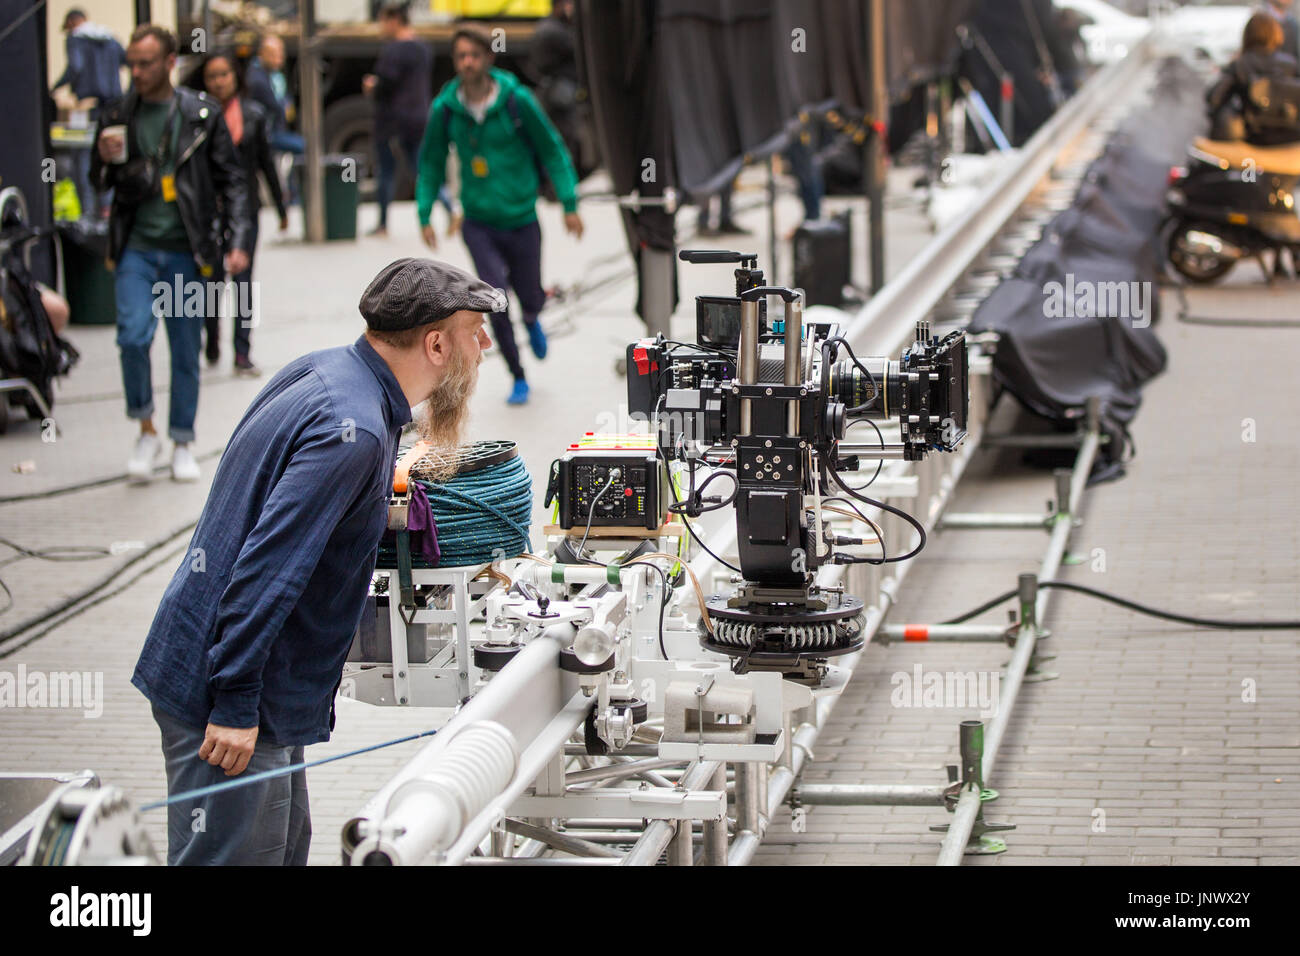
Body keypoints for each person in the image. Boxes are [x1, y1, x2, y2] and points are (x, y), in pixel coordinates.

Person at [131, 257, 498, 865]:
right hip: (228, 702)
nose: (484, 346)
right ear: (436, 343)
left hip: (245, 689)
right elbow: (265, 571)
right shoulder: (350, 431)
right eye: (472, 332)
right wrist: (235, 702)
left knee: (286, 846)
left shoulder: (328, 374)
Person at [90, 25, 250, 483]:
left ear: (167, 64)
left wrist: (237, 240)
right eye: (131, 64)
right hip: (136, 250)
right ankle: (145, 427)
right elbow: (97, 181)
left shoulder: (201, 113)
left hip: (187, 253)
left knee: (185, 349)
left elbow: (232, 181)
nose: (135, 72)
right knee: (132, 337)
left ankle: (182, 439)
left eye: (144, 63)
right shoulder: (117, 112)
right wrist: (103, 159)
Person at [416, 24, 583, 406]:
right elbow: (430, 164)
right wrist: (425, 212)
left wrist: (570, 204)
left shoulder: (516, 100)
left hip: (523, 218)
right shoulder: (445, 110)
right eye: (460, 56)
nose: (468, 62)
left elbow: (552, 150)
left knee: (528, 294)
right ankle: (517, 373)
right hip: (478, 223)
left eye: (474, 55)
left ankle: (533, 316)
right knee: (494, 298)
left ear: (489, 58)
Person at [198, 51, 289, 376]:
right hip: (209, 213)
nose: (219, 81)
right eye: (212, 76)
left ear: (236, 77)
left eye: (224, 74)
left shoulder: (254, 115)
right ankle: (211, 338)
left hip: (245, 212)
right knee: (210, 280)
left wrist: (281, 206)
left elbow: (266, 163)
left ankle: (242, 351)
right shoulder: (200, 116)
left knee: (244, 281)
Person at [364, 4, 439, 236]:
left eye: (383, 21)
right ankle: (449, 206)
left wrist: (371, 86)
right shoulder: (424, 48)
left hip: (392, 120)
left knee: (386, 170)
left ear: (395, 20)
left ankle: (383, 224)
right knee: (421, 167)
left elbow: (386, 84)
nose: (381, 27)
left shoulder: (393, 51)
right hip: (418, 117)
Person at [52, 8, 126, 218]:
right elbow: (127, 61)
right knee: (110, 156)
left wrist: (54, 88)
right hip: (112, 107)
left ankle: (86, 212)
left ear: (72, 23)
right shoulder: (109, 37)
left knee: (82, 156)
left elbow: (76, 66)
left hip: (87, 107)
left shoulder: (76, 39)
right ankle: (106, 209)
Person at [1207, 13, 1300, 145]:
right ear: (1277, 34)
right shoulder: (1291, 64)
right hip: (1293, 140)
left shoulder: (1240, 64)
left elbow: (1214, 98)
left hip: (1255, 140)